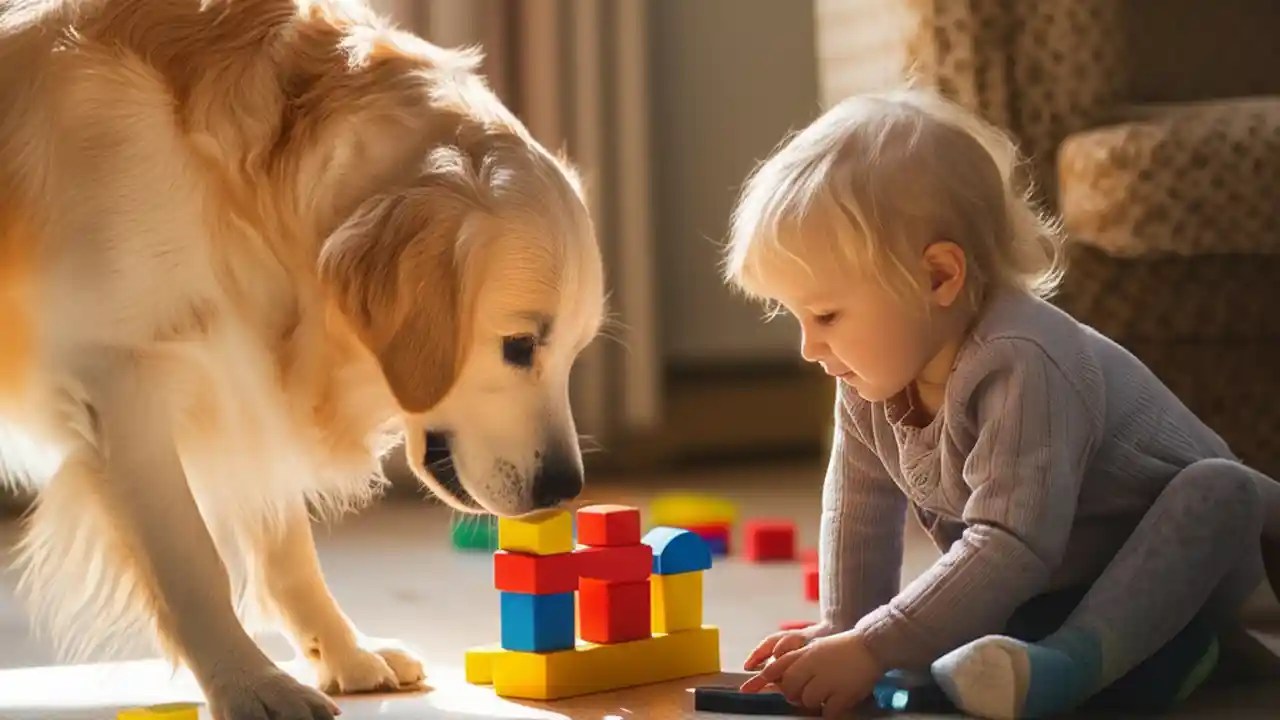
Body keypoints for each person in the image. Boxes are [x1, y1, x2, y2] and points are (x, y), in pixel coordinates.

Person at [719, 86, 1280, 720]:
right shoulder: (871, 374)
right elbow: (859, 505)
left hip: (1213, 561)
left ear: (938, 278)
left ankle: (1077, 667)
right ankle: (1171, 656)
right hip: (1066, 579)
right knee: (965, 638)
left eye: (824, 313)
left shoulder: (1022, 358)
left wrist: (874, 648)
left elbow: (1009, 544)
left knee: (1215, 491)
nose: (807, 346)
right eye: (794, 316)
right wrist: (846, 628)